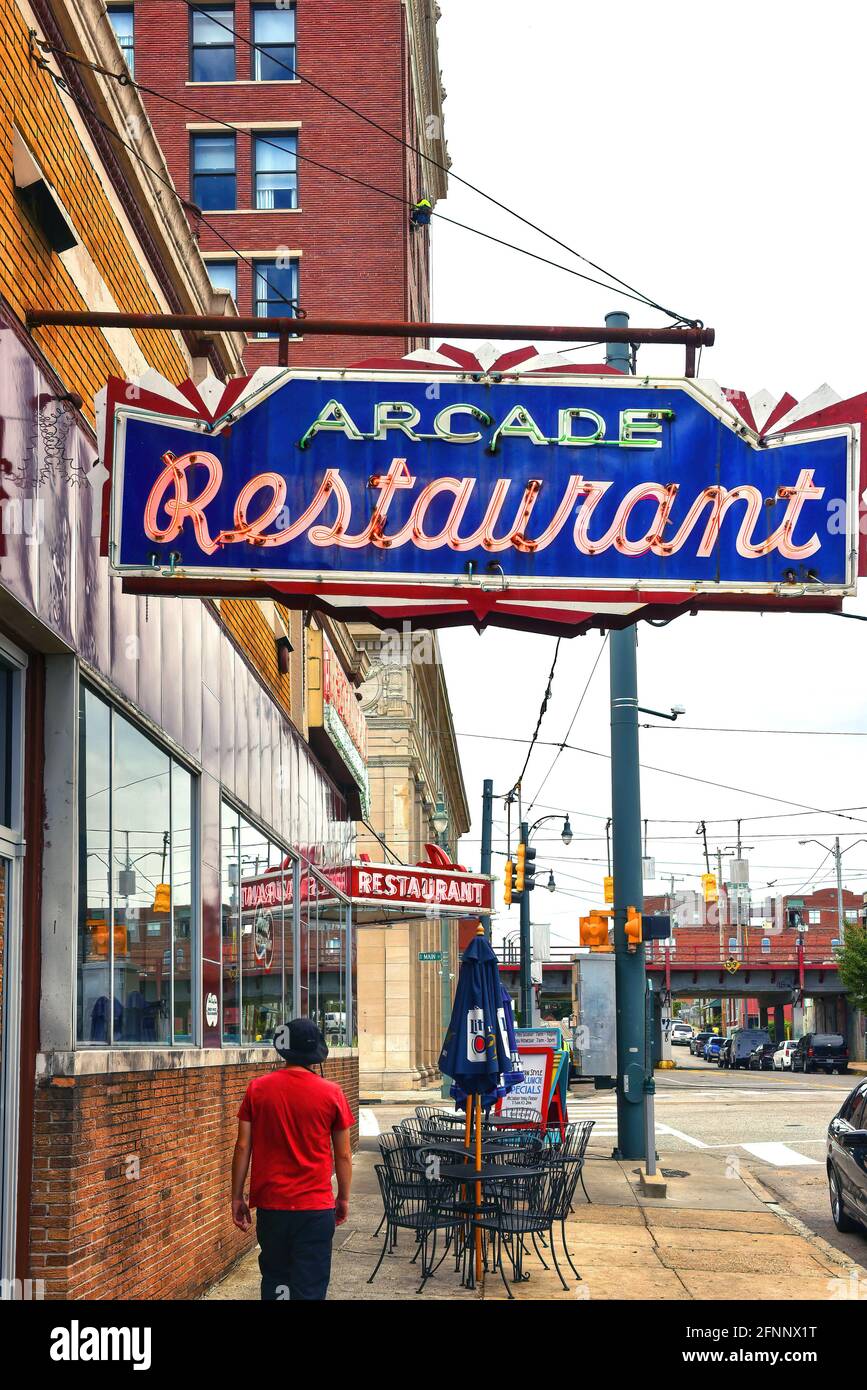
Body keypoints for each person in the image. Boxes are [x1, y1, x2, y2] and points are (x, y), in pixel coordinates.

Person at [231, 1017, 354, 1300]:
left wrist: (237, 1196)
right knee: (309, 1289)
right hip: (315, 1209)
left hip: (273, 1209)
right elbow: (344, 1155)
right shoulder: (331, 1093)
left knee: (276, 1283)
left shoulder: (257, 1089)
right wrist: (343, 1197)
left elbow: (242, 1147)